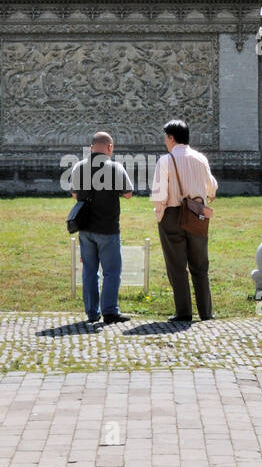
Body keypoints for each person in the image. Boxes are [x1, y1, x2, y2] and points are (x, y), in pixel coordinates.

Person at [149, 119, 218, 322]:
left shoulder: (165, 160)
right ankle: (206, 312)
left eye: (165, 137)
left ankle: (184, 312)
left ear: (171, 138)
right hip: (197, 214)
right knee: (200, 265)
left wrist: (159, 214)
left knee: (177, 265)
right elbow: (212, 186)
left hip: (172, 214)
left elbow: (159, 196)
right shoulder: (201, 158)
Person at [71, 131, 135, 325]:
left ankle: (91, 312)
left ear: (91, 147)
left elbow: (75, 195)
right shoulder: (115, 168)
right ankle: (109, 311)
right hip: (108, 228)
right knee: (112, 271)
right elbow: (128, 194)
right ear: (110, 148)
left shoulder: (78, 167)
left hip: (86, 228)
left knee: (89, 270)